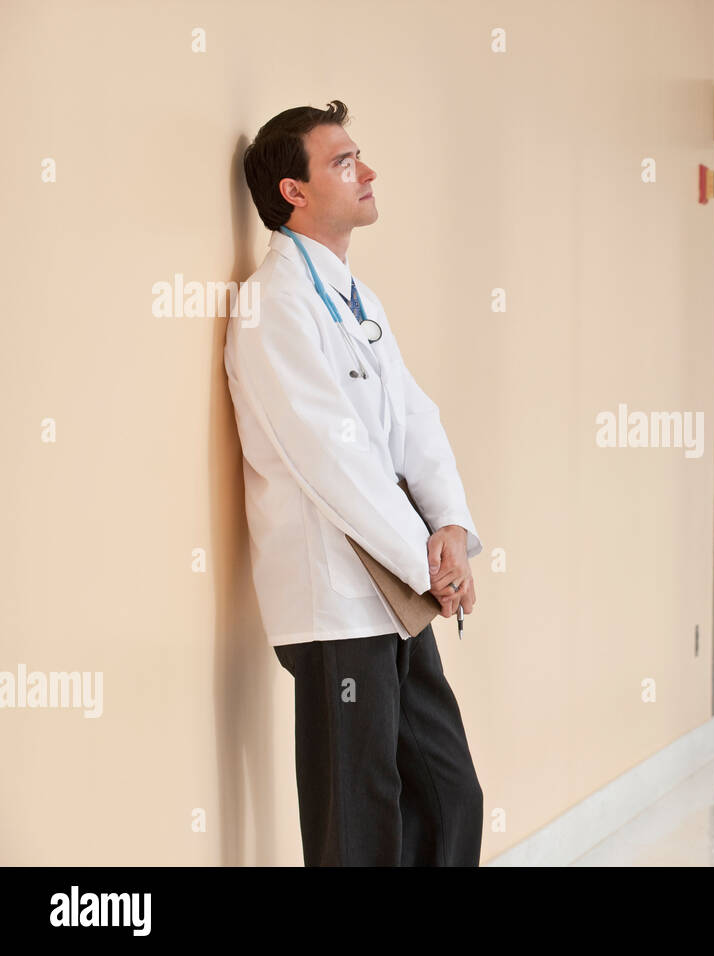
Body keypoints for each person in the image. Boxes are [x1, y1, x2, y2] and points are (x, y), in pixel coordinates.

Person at [225, 99, 484, 866]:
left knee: (449, 795)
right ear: (293, 193)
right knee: (359, 826)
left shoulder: (356, 299)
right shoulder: (272, 305)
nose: (366, 172)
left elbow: (416, 421)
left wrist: (451, 532)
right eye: (343, 162)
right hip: (335, 605)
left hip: (398, 589)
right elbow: (332, 463)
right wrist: (429, 565)